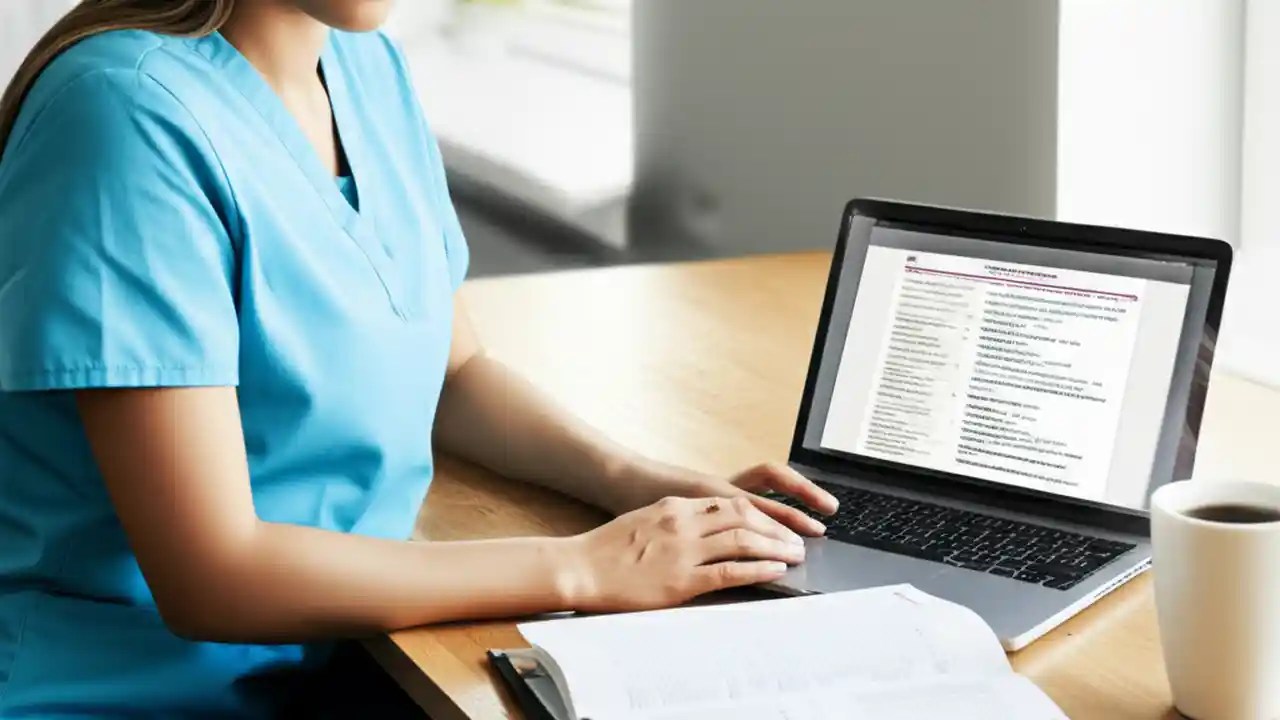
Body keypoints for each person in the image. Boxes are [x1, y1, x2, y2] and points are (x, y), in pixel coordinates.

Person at [0, 0, 837, 716]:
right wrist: (581, 566)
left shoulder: (366, 66)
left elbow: (455, 374)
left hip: (332, 656)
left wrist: (631, 479)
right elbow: (211, 575)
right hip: (116, 691)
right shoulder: (121, 115)